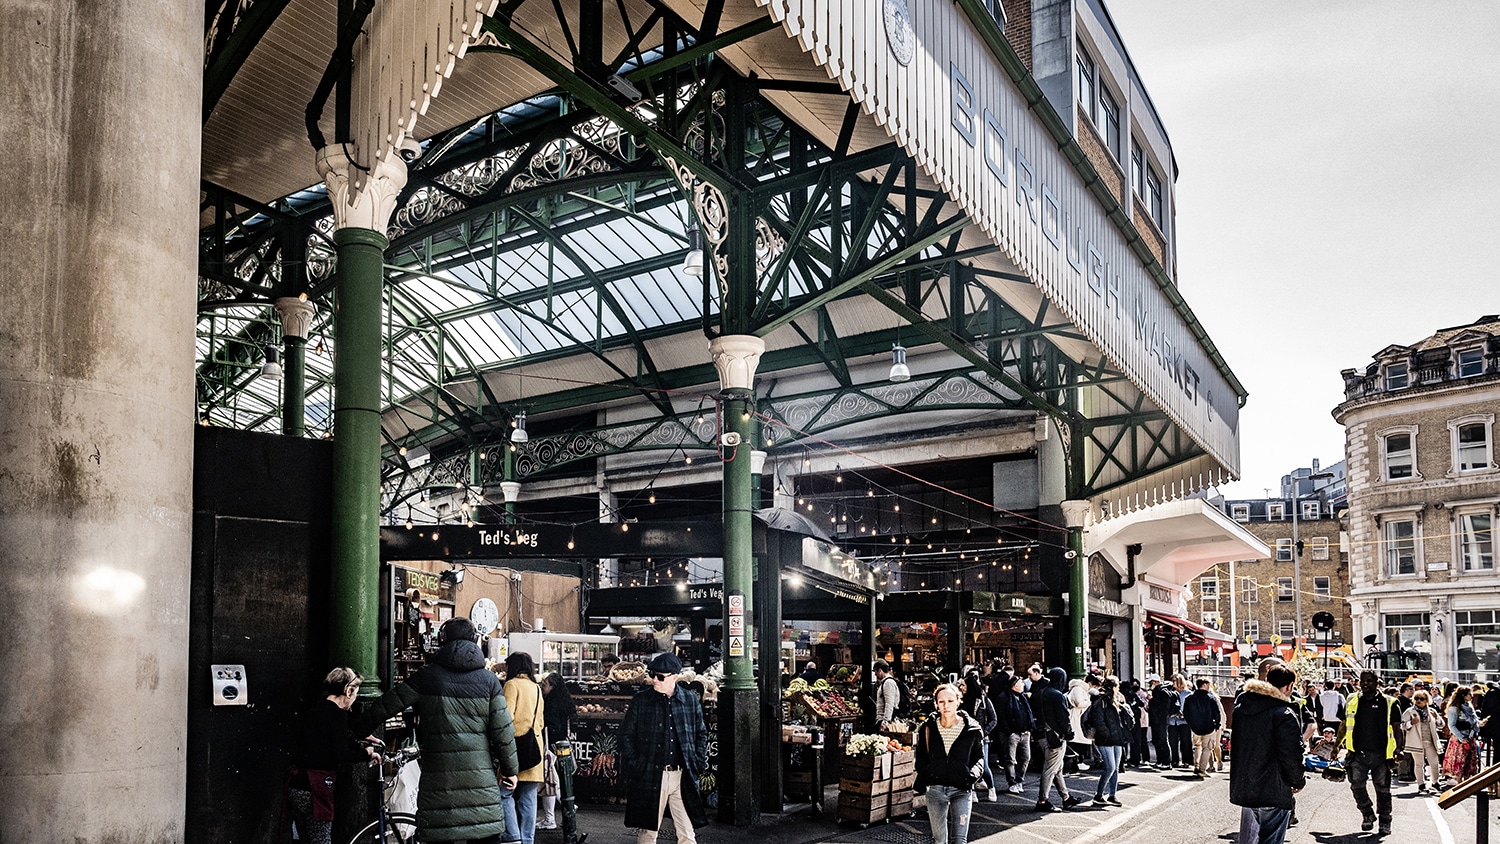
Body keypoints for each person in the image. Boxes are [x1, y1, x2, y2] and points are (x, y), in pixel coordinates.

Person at [365, 617, 519, 843]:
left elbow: (388, 704)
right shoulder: (489, 681)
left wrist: (358, 729)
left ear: (442, 641)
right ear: (475, 641)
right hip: (480, 784)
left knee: (440, 834)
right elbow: (503, 732)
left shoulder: (428, 676)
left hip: (439, 784)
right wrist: (510, 769)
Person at [620, 653, 709, 844]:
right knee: (648, 832)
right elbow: (626, 736)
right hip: (652, 773)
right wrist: (637, 763)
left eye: (660, 676)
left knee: (687, 832)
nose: (654, 679)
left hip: (682, 775)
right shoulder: (641, 700)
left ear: (675, 677)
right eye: (653, 674)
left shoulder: (689, 701)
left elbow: (701, 734)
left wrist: (697, 761)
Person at [285, 667, 380, 844]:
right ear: (348, 691)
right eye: (355, 693)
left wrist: (357, 736)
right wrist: (366, 753)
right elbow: (340, 753)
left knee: (304, 839)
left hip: (296, 785)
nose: (355, 698)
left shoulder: (315, 709)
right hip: (316, 788)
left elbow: (325, 738)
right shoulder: (338, 716)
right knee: (321, 839)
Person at [1230, 664, 1305, 844]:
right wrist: (1297, 781)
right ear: (1289, 686)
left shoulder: (1242, 707)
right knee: (1270, 839)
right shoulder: (1284, 713)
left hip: (1245, 785)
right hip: (1273, 787)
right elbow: (1291, 754)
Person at [914, 683, 985, 844]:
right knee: (940, 840)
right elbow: (921, 757)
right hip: (936, 790)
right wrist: (927, 773)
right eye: (941, 702)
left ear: (958, 701)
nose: (946, 706)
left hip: (961, 789)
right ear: (936, 704)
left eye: (950, 701)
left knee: (959, 840)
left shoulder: (972, 728)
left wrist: (971, 775)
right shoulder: (927, 727)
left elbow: (979, 757)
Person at [1343, 670, 1402, 836]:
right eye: (1362, 681)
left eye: (1369, 681)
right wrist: (1335, 747)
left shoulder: (1390, 702)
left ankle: (1385, 821)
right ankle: (1367, 814)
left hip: (1381, 755)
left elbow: (1397, 728)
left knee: (1383, 789)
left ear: (1377, 683)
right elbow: (1344, 724)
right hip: (1357, 753)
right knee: (1356, 786)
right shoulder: (1352, 700)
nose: (1365, 684)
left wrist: (1399, 748)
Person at [500, 652, 546, 844]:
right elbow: (541, 722)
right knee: (529, 797)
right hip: (535, 749)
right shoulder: (536, 688)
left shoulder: (511, 685)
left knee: (504, 793)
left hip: (516, 749)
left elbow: (506, 719)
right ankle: (528, 839)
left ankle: (512, 835)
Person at [1032, 667, 1081, 812]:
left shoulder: (1041, 692)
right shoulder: (1057, 695)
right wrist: (1069, 732)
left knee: (1056, 768)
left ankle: (1066, 797)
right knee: (1050, 769)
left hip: (1041, 734)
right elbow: (1063, 718)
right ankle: (1042, 801)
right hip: (1054, 736)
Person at [536, 672, 575, 830]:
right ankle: (563, 810)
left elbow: (552, 727)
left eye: (545, 684)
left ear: (552, 687)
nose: (542, 686)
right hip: (560, 745)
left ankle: (556, 815)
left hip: (551, 746)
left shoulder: (551, 704)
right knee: (553, 782)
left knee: (551, 783)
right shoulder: (563, 701)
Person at [1085, 676, 1130, 806]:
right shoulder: (1100, 701)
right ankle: (1098, 795)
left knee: (1115, 768)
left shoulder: (1115, 700)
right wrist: (1107, 733)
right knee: (1110, 767)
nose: (1118, 689)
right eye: (1117, 687)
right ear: (1113, 687)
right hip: (1106, 739)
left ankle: (1112, 795)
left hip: (1117, 738)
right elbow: (1098, 721)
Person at [959, 671, 998, 801]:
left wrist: (984, 732)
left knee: (983, 765)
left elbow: (993, 719)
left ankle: (992, 789)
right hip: (966, 737)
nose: (962, 688)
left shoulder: (983, 700)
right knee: (968, 765)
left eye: (964, 685)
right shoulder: (961, 702)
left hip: (981, 738)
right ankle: (972, 791)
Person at [997, 673, 1034, 794]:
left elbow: (1028, 713)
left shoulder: (1022, 697)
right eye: (1020, 683)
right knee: (1010, 759)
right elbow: (1001, 716)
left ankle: (1019, 780)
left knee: (1025, 758)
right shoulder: (1003, 697)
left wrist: (1029, 728)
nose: (1023, 684)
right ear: (1014, 686)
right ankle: (1012, 782)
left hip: (1024, 732)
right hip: (1012, 733)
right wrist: (1009, 732)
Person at [1402, 689, 1443, 793]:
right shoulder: (1410, 711)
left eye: (1422, 699)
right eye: (1416, 698)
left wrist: (1436, 718)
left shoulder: (1431, 711)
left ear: (1427, 700)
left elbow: (1441, 724)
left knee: (1434, 763)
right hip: (1416, 741)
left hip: (1430, 741)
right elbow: (1402, 725)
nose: (1419, 701)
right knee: (1419, 764)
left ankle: (1435, 782)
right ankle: (1421, 784)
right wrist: (1411, 722)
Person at [1184, 677, 1224, 778]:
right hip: (1208, 726)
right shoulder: (1210, 698)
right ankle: (1202, 769)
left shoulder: (1189, 698)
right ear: (1205, 685)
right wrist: (1217, 724)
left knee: (1197, 746)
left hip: (1195, 727)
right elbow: (1217, 713)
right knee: (1207, 748)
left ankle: (1196, 766)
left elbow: (1186, 713)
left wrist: (1191, 723)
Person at [1442, 685, 1481, 785]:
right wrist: (1462, 738)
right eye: (1469, 694)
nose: (1472, 696)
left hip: (1470, 736)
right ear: (1463, 695)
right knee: (1459, 763)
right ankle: (1459, 785)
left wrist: (1479, 724)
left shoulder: (1469, 707)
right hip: (1460, 739)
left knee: (1469, 763)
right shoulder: (1454, 709)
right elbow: (1451, 725)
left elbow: (1474, 721)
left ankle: (1467, 784)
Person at [1146, 675, 1177, 769]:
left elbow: (1164, 707)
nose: (1150, 685)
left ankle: (1167, 762)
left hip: (1161, 720)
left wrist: (1152, 700)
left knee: (1162, 740)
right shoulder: (1158, 692)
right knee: (1156, 740)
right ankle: (1160, 761)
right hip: (1156, 720)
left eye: (1151, 682)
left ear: (1155, 682)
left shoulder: (1163, 692)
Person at [1168, 674, 1193, 768]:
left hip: (1184, 721)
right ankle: (1174, 760)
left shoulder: (1188, 693)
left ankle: (1187, 761)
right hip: (1172, 720)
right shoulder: (1170, 693)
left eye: (1174, 681)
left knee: (1185, 741)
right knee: (1173, 741)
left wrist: (1185, 714)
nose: (1173, 683)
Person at [874, 659, 901, 727]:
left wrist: (886, 722)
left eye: (875, 671)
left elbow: (889, 703)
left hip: (885, 721)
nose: (875, 674)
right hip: (882, 719)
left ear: (880, 670)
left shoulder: (888, 683)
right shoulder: (885, 682)